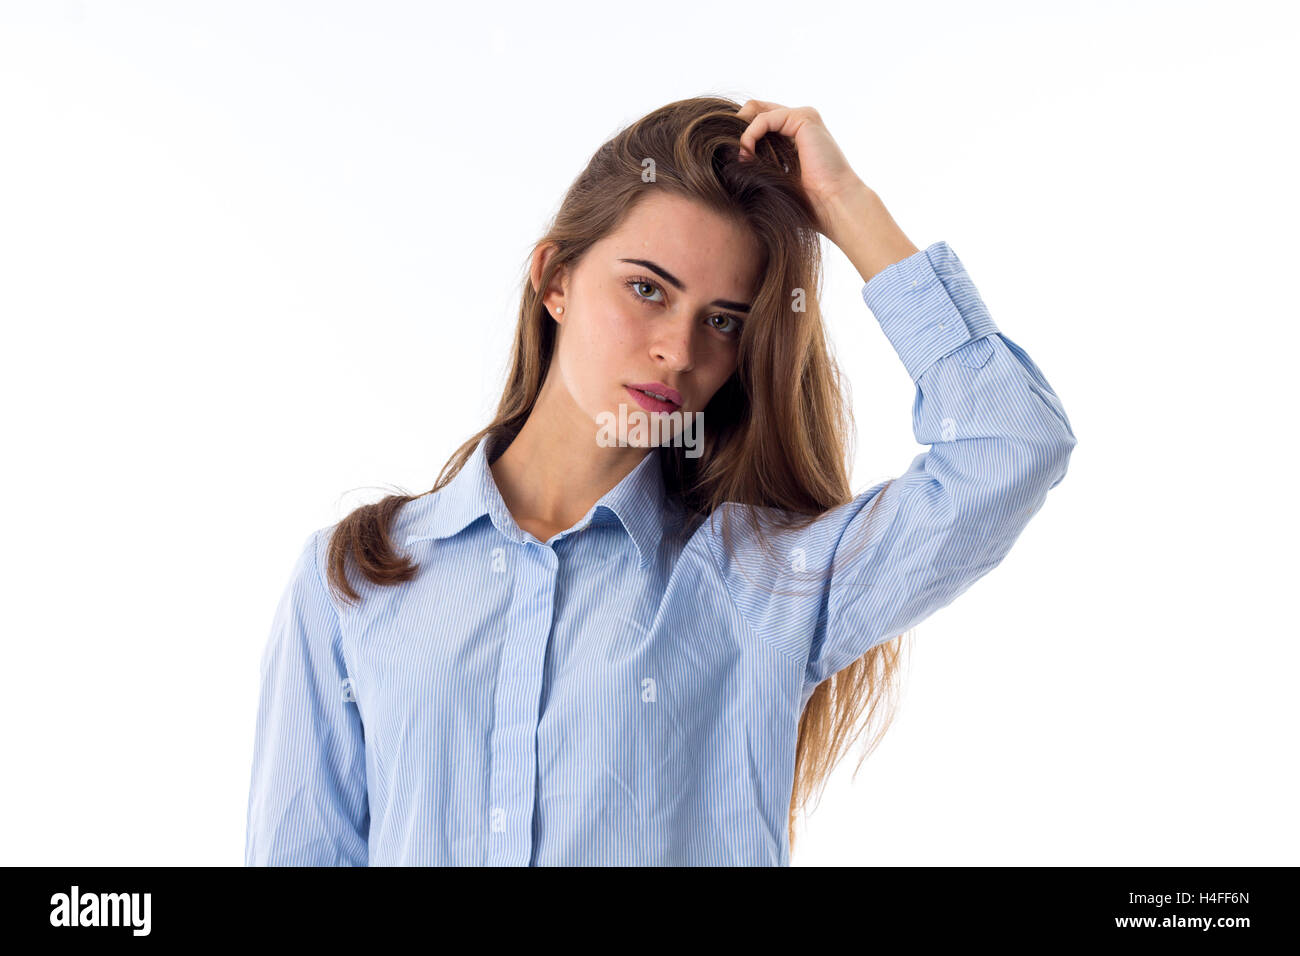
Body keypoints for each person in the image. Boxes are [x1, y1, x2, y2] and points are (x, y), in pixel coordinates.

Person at [244, 96, 1077, 866]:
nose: (678, 350)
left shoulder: (761, 583)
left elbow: (1010, 444)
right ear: (555, 280)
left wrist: (847, 206)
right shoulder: (355, 580)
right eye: (647, 289)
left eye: (722, 321)